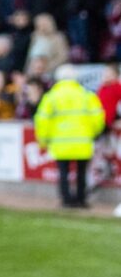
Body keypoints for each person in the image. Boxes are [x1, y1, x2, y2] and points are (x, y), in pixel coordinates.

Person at [34, 75, 105, 209]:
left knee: (63, 172)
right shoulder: (87, 95)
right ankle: (81, 199)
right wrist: (94, 133)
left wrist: (43, 139)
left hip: (60, 142)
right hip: (83, 141)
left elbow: (42, 119)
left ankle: (66, 200)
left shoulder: (51, 96)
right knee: (82, 172)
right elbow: (98, 116)